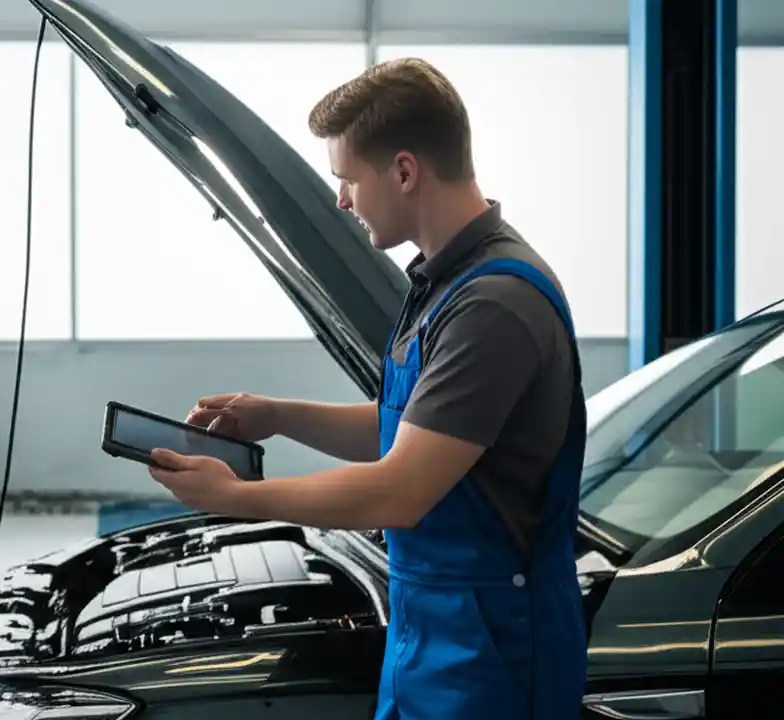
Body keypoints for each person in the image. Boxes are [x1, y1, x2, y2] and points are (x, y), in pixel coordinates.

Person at [147, 57, 587, 719]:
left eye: (347, 179)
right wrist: (277, 415)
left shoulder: (493, 305)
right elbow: (412, 429)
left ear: (405, 171)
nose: (340, 202)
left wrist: (240, 498)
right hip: (439, 627)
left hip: (495, 649)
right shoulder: (445, 284)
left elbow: (401, 488)